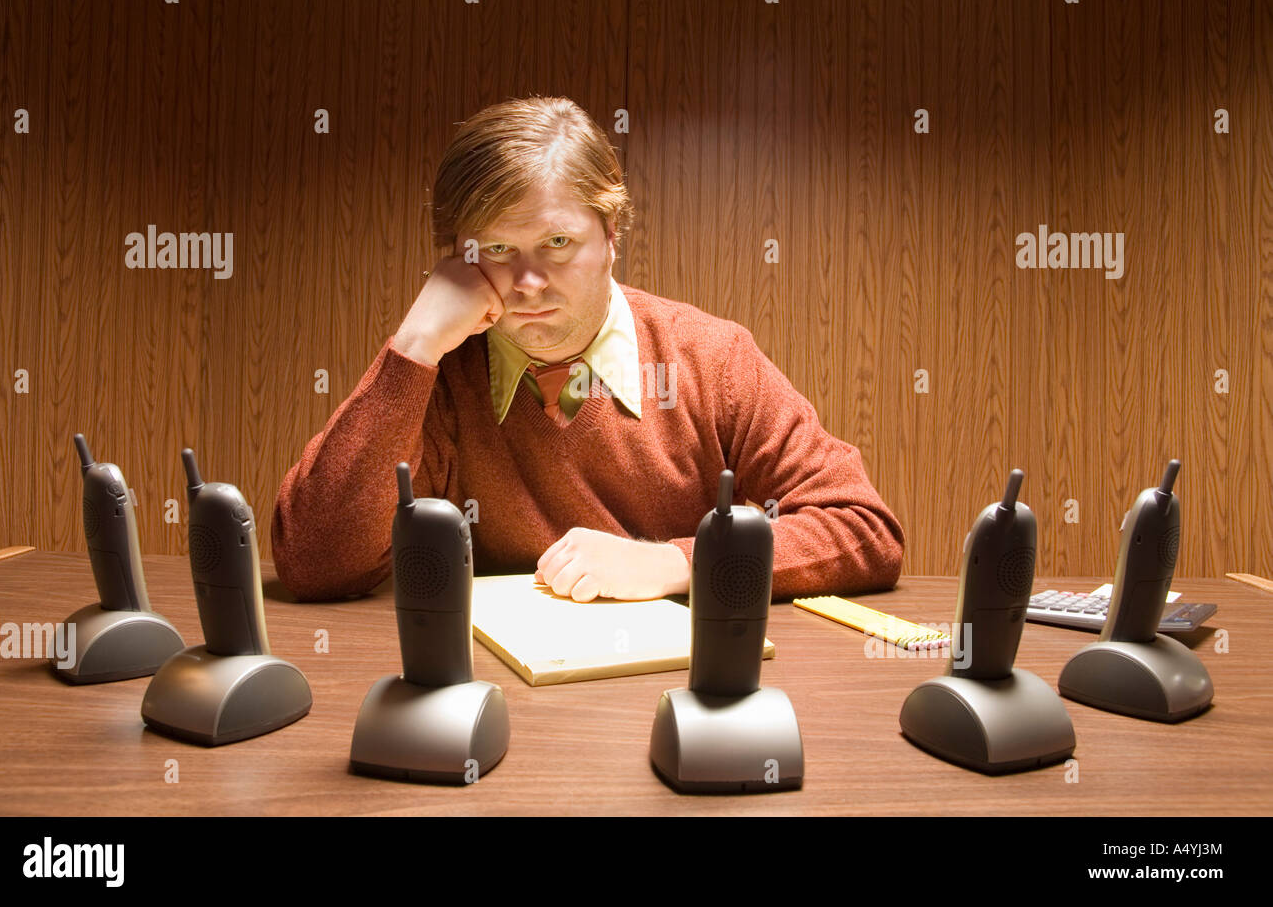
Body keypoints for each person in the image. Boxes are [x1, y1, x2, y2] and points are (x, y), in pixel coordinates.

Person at [272, 96, 904, 603]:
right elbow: (313, 562)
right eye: (496, 250)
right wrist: (412, 347)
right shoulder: (437, 377)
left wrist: (669, 563)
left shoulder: (712, 359)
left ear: (611, 234)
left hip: (677, 692)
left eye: (557, 243)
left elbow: (863, 530)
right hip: (509, 704)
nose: (527, 283)